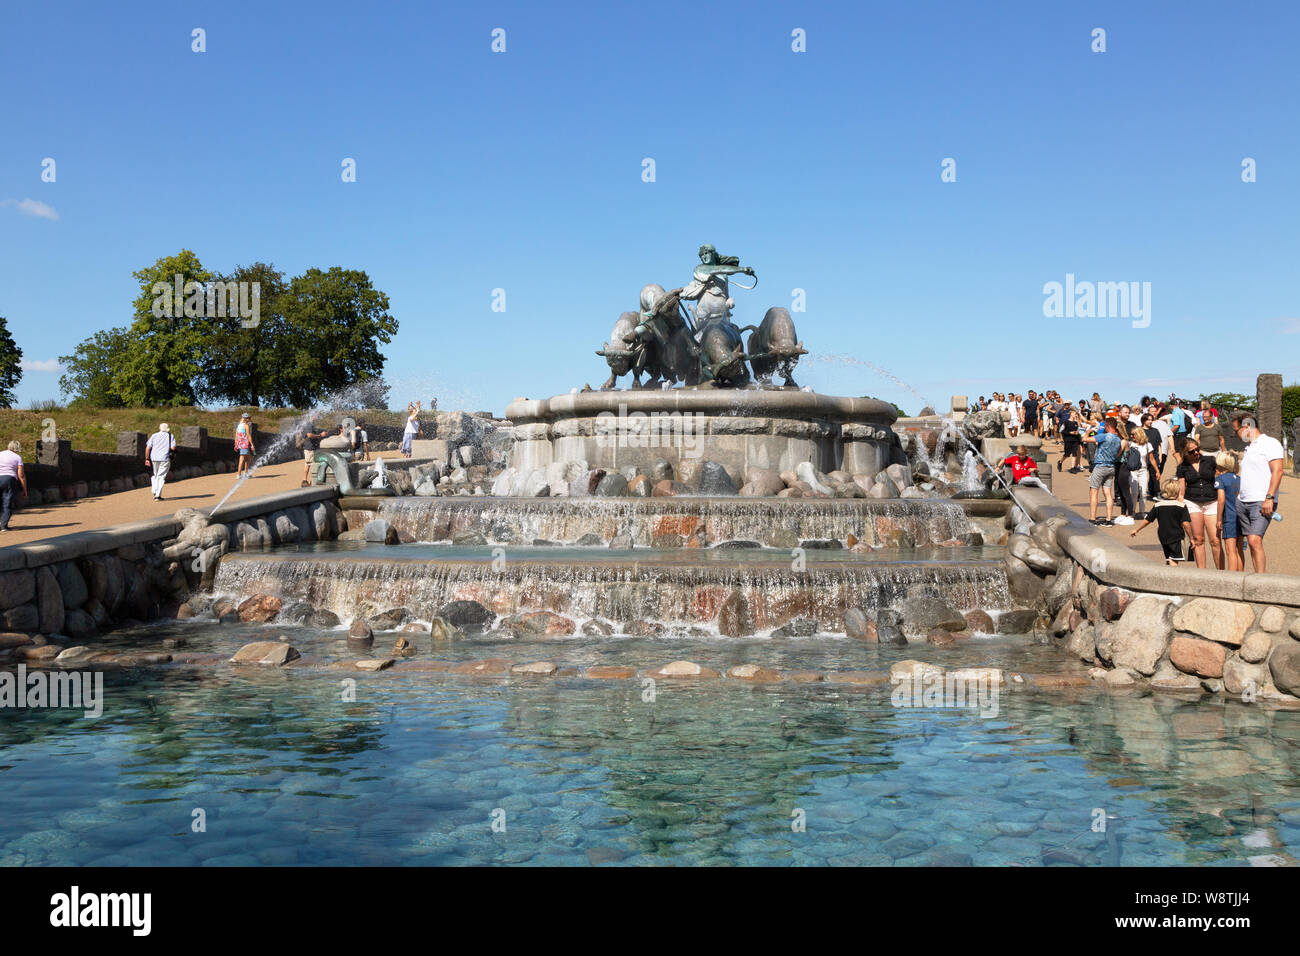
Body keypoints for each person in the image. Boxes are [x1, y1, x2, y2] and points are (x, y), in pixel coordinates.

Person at [1236, 416, 1284, 573]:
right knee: (1250, 543)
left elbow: (1278, 470)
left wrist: (1269, 497)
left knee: (1254, 540)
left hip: (1261, 501)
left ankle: (1261, 582)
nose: (1236, 434)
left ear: (1247, 426)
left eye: (1237, 430)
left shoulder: (1270, 443)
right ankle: (1256, 579)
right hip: (1243, 501)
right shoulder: (1249, 447)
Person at [1176, 438, 1220, 569]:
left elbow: (1219, 478)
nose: (1196, 453)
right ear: (1185, 453)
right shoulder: (1182, 467)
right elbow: (1181, 490)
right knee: (1198, 540)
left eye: (1197, 449)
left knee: (1215, 541)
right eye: (1192, 451)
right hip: (1192, 502)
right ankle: (1202, 573)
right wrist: (1179, 507)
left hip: (1212, 501)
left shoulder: (1210, 461)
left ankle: (1221, 572)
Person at [1131, 477, 1193, 565]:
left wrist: (1137, 530)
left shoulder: (1158, 505)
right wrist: (1191, 538)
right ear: (1177, 492)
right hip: (1176, 536)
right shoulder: (1181, 506)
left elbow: (1147, 520)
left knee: (1168, 558)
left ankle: (1166, 575)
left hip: (1163, 536)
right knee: (1174, 560)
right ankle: (1172, 577)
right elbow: (1186, 524)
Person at [1083, 419, 1122, 525]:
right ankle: (1109, 519)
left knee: (1094, 491)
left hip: (1100, 466)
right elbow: (1119, 452)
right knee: (1108, 493)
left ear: (1108, 426)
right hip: (1111, 466)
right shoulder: (1118, 439)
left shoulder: (1104, 436)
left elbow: (1084, 439)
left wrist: (1089, 430)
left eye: (1105, 426)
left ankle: (1092, 518)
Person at [1214, 451, 1243, 572]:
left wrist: (1219, 519)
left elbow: (1221, 500)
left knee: (1230, 550)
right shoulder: (1240, 479)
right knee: (1239, 550)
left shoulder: (1221, 479)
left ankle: (1232, 579)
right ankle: (1240, 574)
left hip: (1229, 518)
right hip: (1241, 517)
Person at [0, 440, 27, 532]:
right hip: (9, 480)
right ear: (17, 448)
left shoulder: (0, 454)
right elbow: (21, 475)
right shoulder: (17, 457)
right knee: (7, 502)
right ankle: (4, 526)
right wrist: (24, 489)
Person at [145, 423, 176, 501]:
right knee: (161, 476)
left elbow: (148, 448)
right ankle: (157, 496)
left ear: (159, 428)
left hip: (154, 458)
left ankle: (154, 488)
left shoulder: (154, 435)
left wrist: (147, 459)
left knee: (155, 474)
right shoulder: (170, 436)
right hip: (164, 458)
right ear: (167, 429)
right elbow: (173, 447)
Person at [1128, 426, 1153, 519]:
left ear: (1139, 434)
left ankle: (1142, 511)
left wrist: (1157, 470)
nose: (1131, 436)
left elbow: (1151, 458)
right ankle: (1132, 511)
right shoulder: (1129, 444)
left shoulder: (1147, 445)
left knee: (1143, 492)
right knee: (1134, 492)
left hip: (1143, 469)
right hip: (1132, 470)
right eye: (1131, 434)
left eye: (1133, 434)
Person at [299, 417, 329, 487]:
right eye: (316, 416)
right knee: (311, 464)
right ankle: (307, 481)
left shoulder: (309, 425)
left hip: (310, 447)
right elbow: (309, 435)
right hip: (309, 448)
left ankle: (305, 481)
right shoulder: (309, 425)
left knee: (308, 464)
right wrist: (320, 435)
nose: (317, 418)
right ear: (312, 417)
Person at [1058, 407, 1083, 472]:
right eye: (1075, 413)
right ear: (1071, 414)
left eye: (1076, 414)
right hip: (1068, 440)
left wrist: (1077, 420)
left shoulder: (1076, 422)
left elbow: (1080, 428)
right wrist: (1069, 432)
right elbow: (1061, 431)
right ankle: (1060, 462)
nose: (1076, 414)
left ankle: (1072, 467)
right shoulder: (1066, 422)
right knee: (1067, 454)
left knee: (1075, 453)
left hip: (1075, 439)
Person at [234, 412, 256, 478]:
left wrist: (235, 444)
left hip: (240, 444)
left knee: (248, 457)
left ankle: (245, 473)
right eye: (249, 418)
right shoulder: (246, 425)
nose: (250, 419)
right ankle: (239, 474)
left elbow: (236, 436)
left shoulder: (239, 426)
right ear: (246, 419)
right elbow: (249, 436)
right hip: (244, 444)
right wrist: (252, 445)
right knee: (242, 459)